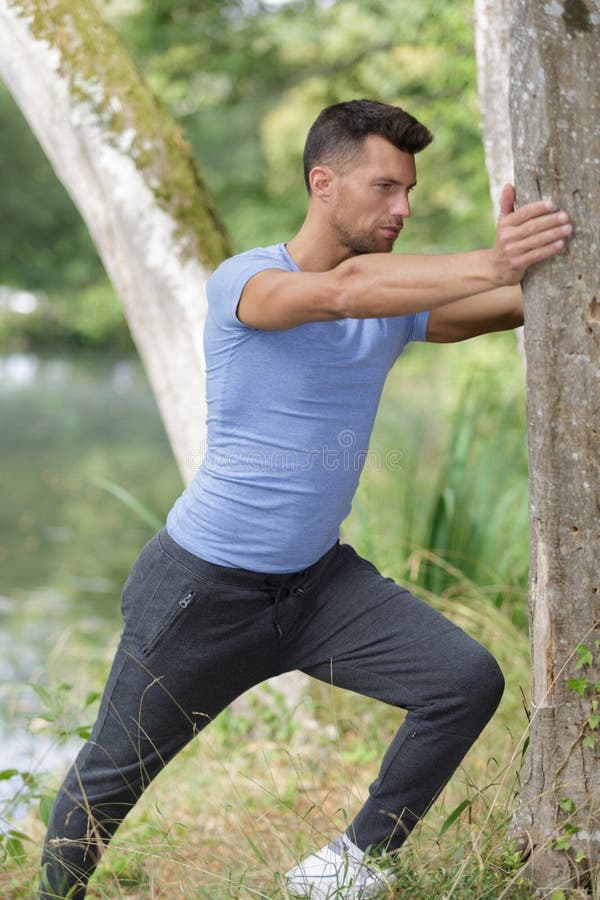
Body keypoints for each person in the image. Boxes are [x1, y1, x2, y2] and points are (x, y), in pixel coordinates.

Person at [38, 99, 573, 899]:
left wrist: (554, 270)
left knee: (464, 681)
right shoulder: (248, 284)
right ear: (324, 182)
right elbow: (344, 291)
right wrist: (493, 261)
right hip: (201, 590)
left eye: (410, 192)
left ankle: (345, 869)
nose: (404, 208)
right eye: (386, 188)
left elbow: (527, 306)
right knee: (107, 781)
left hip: (319, 588)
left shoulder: (390, 307)